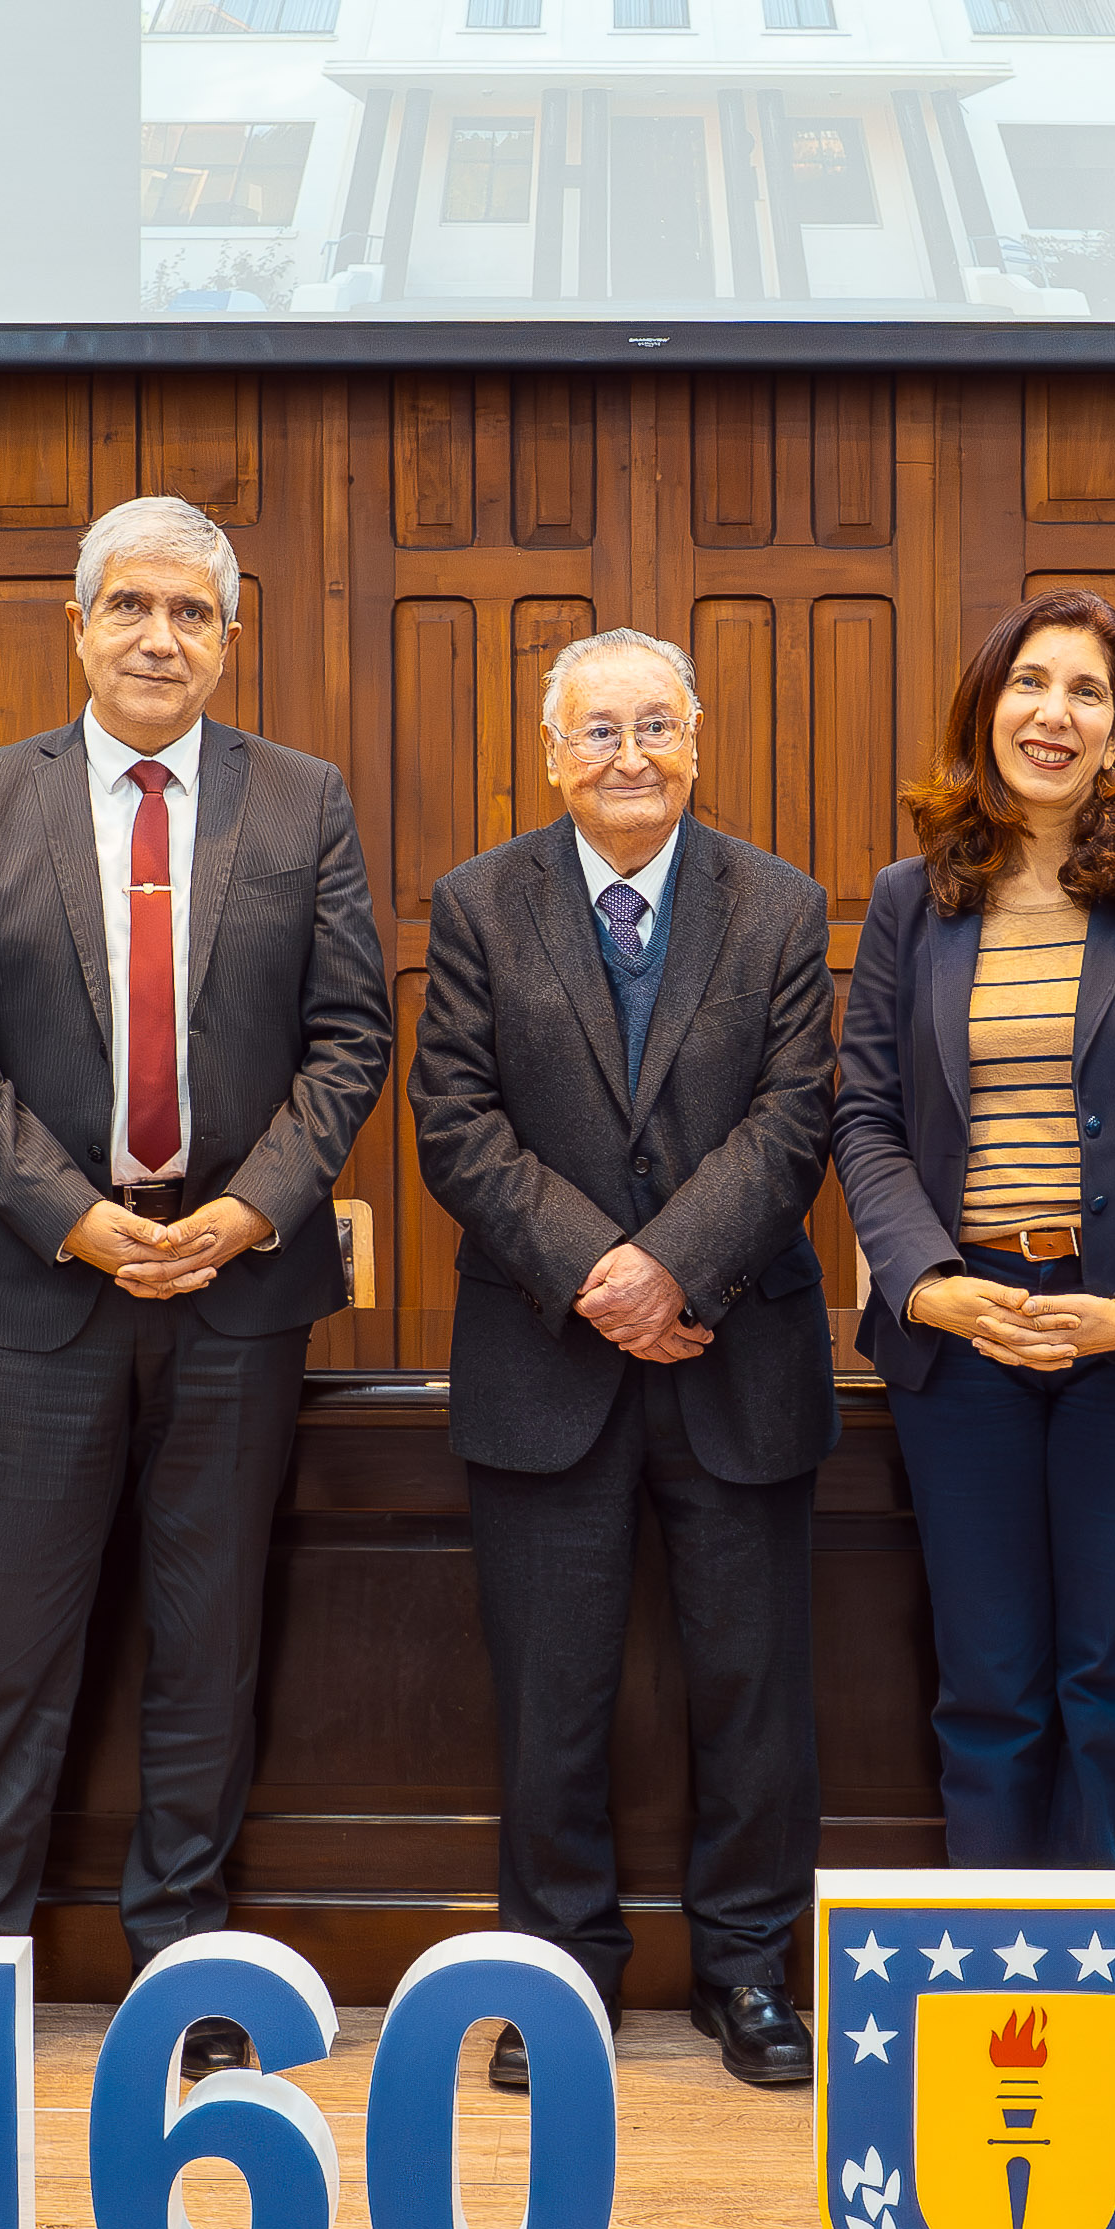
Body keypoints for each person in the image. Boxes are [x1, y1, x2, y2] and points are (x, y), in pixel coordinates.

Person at [0, 494, 391, 2093]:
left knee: (205, 1642)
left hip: (239, 1285)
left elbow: (350, 1037)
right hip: (45, 1289)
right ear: (78, 626)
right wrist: (79, 1221)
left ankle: (185, 1978)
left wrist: (240, 1215)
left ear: (230, 636)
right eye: (131, 607)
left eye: (193, 612)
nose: (161, 636)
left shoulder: (302, 800)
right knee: (10, 1647)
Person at [411, 629, 839, 2090]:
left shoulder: (777, 904)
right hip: (545, 1359)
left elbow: (792, 1123)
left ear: (696, 739)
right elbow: (454, 1124)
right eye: (597, 731)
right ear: (549, 755)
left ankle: (748, 1971)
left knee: (750, 1688)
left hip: (737, 1354)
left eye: (655, 725)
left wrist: (669, 1266)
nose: (629, 755)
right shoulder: (477, 904)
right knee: (551, 1694)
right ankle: (554, 1976)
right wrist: (602, 1276)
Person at [832, 586, 1115, 1868]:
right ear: (988, 708)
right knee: (988, 1687)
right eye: (1031, 682)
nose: (1054, 712)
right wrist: (928, 1284)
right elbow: (864, 1113)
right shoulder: (913, 898)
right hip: (961, 1336)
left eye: (1087, 690)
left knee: (1111, 1684)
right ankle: (993, 1992)